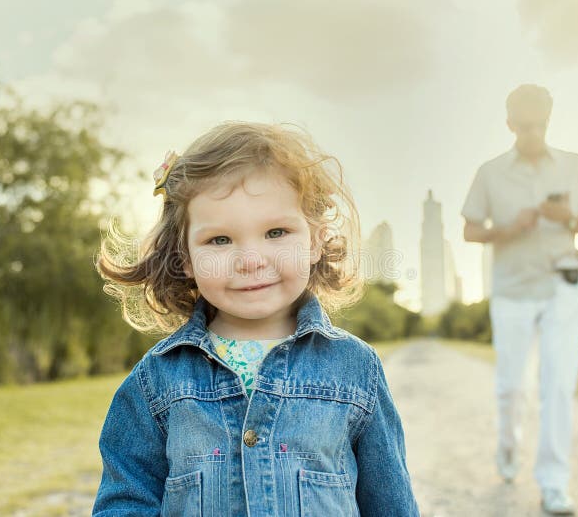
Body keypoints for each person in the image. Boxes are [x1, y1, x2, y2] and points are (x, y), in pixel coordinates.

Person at [92, 122, 420, 516]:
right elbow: (126, 500)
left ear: (314, 241)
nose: (251, 260)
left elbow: (391, 502)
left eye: (276, 232)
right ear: (185, 257)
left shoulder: (354, 368)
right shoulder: (156, 381)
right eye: (220, 240)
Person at [461, 85, 578, 515]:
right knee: (512, 387)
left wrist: (570, 218)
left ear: (549, 120)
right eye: (524, 126)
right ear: (509, 124)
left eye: (540, 126)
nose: (532, 134)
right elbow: (471, 230)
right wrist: (507, 228)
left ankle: (554, 483)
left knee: (558, 386)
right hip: (512, 290)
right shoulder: (489, 172)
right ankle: (508, 449)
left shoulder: (575, 166)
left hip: (563, 285)